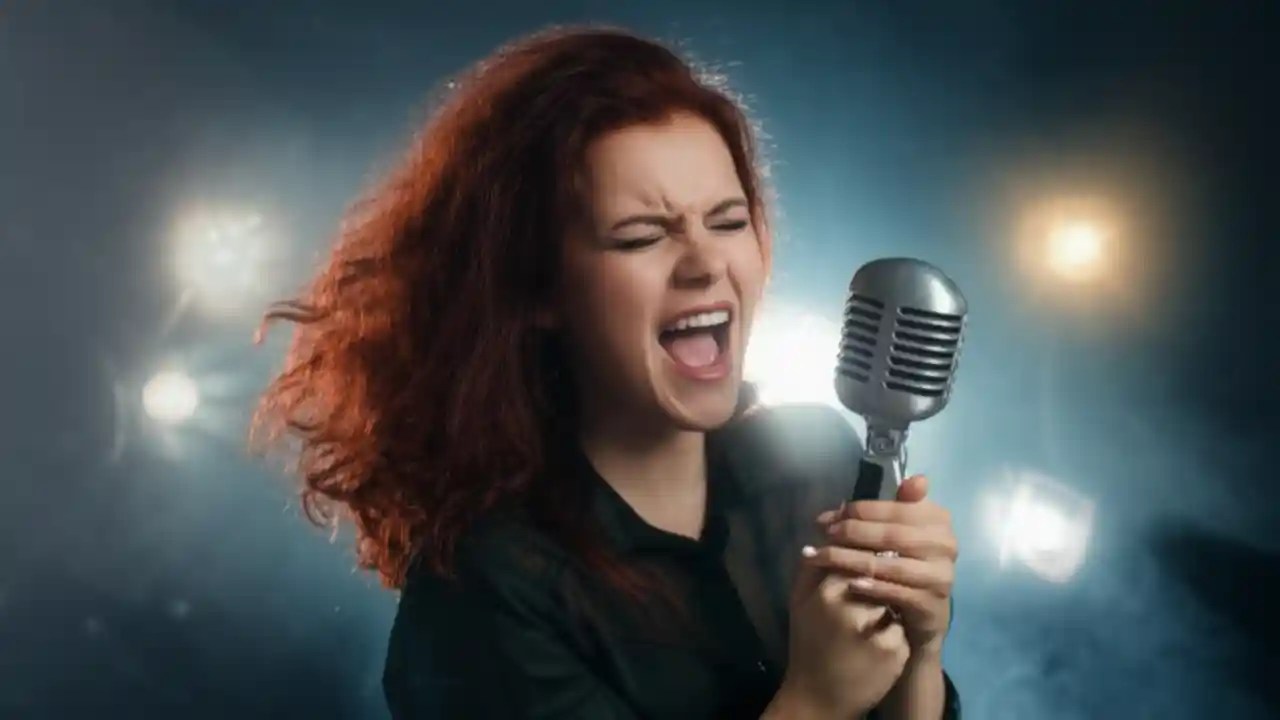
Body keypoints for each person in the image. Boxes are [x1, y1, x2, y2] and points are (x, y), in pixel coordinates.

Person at [252, 24, 962, 720]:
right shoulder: (487, 592)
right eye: (641, 236)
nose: (705, 264)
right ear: (537, 290)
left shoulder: (815, 464)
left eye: (727, 220)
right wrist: (818, 701)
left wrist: (918, 652)